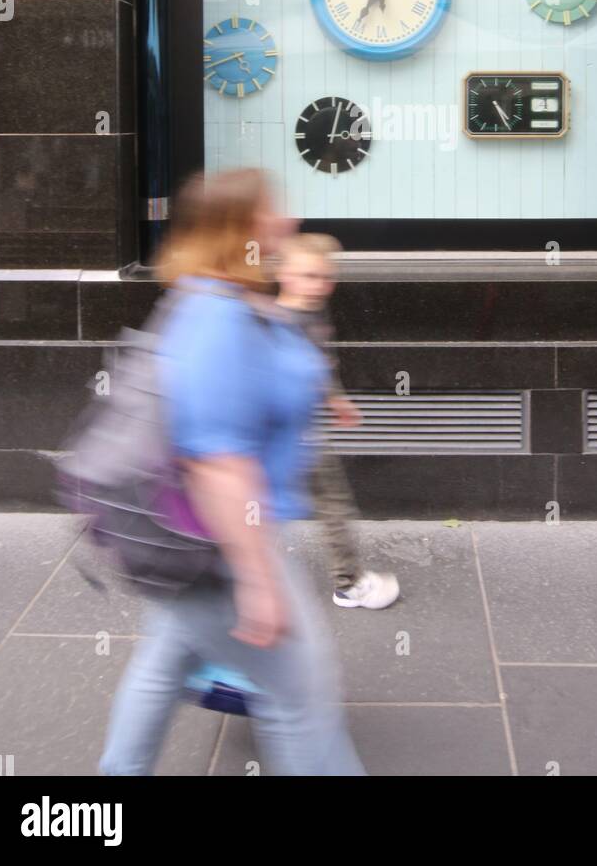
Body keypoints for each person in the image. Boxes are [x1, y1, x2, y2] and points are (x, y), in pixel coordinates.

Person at [98, 169, 365, 777]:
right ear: (242, 227)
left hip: (203, 538)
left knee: (164, 664)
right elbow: (218, 460)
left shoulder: (227, 295)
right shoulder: (217, 316)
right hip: (218, 547)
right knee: (302, 699)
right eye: (273, 211)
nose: (288, 221)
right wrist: (256, 580)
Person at [275, 232, 399, 610]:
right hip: (289, 433)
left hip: (302, 428)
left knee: (320, 504)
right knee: (331, 504)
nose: (320, 286)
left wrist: (335, 397)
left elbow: (320, 364)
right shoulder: (277, 323)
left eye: (325, 277)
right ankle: (348, 584)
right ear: (283, 274)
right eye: (308, 276)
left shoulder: (312, 311)